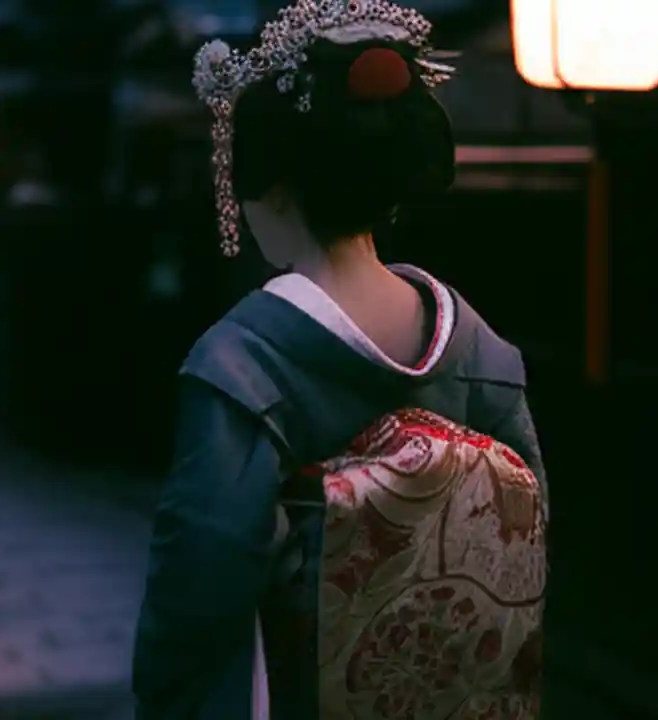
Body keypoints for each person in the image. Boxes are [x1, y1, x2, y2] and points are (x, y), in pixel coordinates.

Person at [132, 1, 547, 717]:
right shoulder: (482, 351)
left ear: (276, 190)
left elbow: (199, 590)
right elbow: (523, 538)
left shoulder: (242, 363)